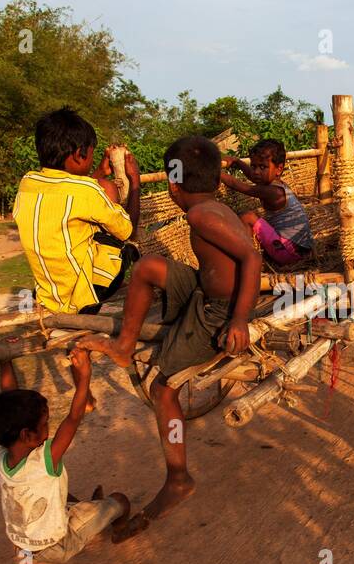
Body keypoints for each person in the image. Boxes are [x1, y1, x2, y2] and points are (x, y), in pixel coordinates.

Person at [78, 136, 261, 521]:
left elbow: (251, 259)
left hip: (219, 309)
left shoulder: (201, 216)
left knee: (163, 390)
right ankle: (124, 345)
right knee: (146, 267)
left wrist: (239, 319)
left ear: (174, 185)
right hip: (203, 286)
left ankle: (178, 478)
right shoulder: (214, 208)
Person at [0, 348, 143, 563]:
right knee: (120, 500)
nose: (48, 428)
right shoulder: (45, 459)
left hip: (23, 544)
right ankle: (119, 529)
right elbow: (74, 417)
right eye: (44, 424)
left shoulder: (2, 455)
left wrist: (5, 360)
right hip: (58, 544)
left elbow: (8, 396)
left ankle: (89, 509)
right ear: (26, 434)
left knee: (57, 491)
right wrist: (84, 375)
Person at [13, 107, 141, 316]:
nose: (91, 161)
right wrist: (135, 181)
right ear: (78, 154)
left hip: (49, 293)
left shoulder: (27, 183)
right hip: (86, 294)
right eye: (90, 155)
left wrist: (97, 173)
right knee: (128, 245)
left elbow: (67, 191)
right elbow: (129, 230)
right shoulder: (88, 191)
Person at [220, 139, 314, 266]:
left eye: (263, 167)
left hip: (288, 252)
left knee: (248, 217)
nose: (256, 171)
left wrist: (214, 171)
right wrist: (237, 161)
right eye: (254, 166)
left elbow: (237, 185)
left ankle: (249, 259)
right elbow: (253, 176)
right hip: (299, 250)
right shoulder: (276, 184)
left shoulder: (273, 192)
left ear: (279, 169)